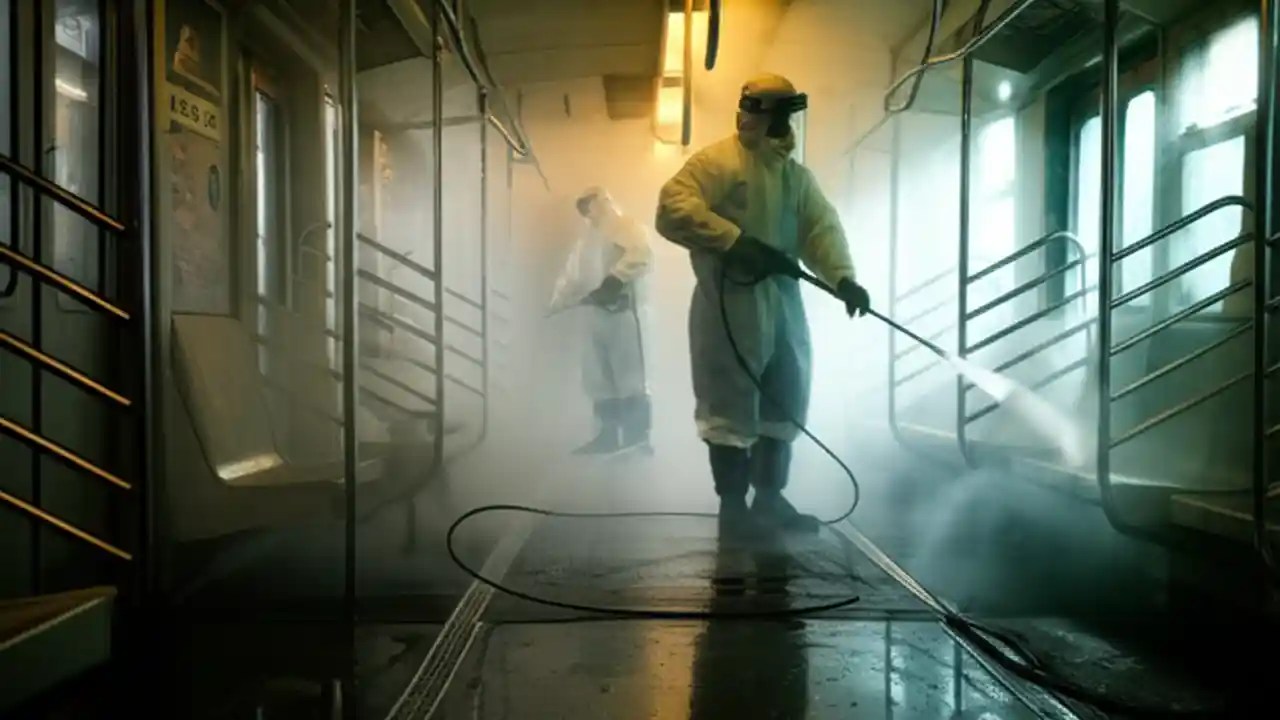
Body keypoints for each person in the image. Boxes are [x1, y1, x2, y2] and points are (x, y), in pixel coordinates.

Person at [654, 74, 871, 538]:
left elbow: (821, 230)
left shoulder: (795, 177)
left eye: (792, 116)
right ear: (760, 113)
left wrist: (844, 278)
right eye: (781, 115)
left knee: (783, 400)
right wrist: (734, 242)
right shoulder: (718, 162)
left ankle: (770, 500)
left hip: (783, 305)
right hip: (730, 305)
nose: (786, 126)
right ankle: (733, 507)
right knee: (730, 406)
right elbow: (673, 208)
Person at [548, 187, 654, 455]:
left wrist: (615, 279)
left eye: (588, 204)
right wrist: (555, 305)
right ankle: (607, 437)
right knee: (598, 379)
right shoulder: (587, 241)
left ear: (601, 201)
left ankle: (637, 439)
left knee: (630, 377)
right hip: (594, 315)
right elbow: (572, 277)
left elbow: (641, 255)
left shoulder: (627, 227)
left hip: (623, 314)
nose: (586, 210)